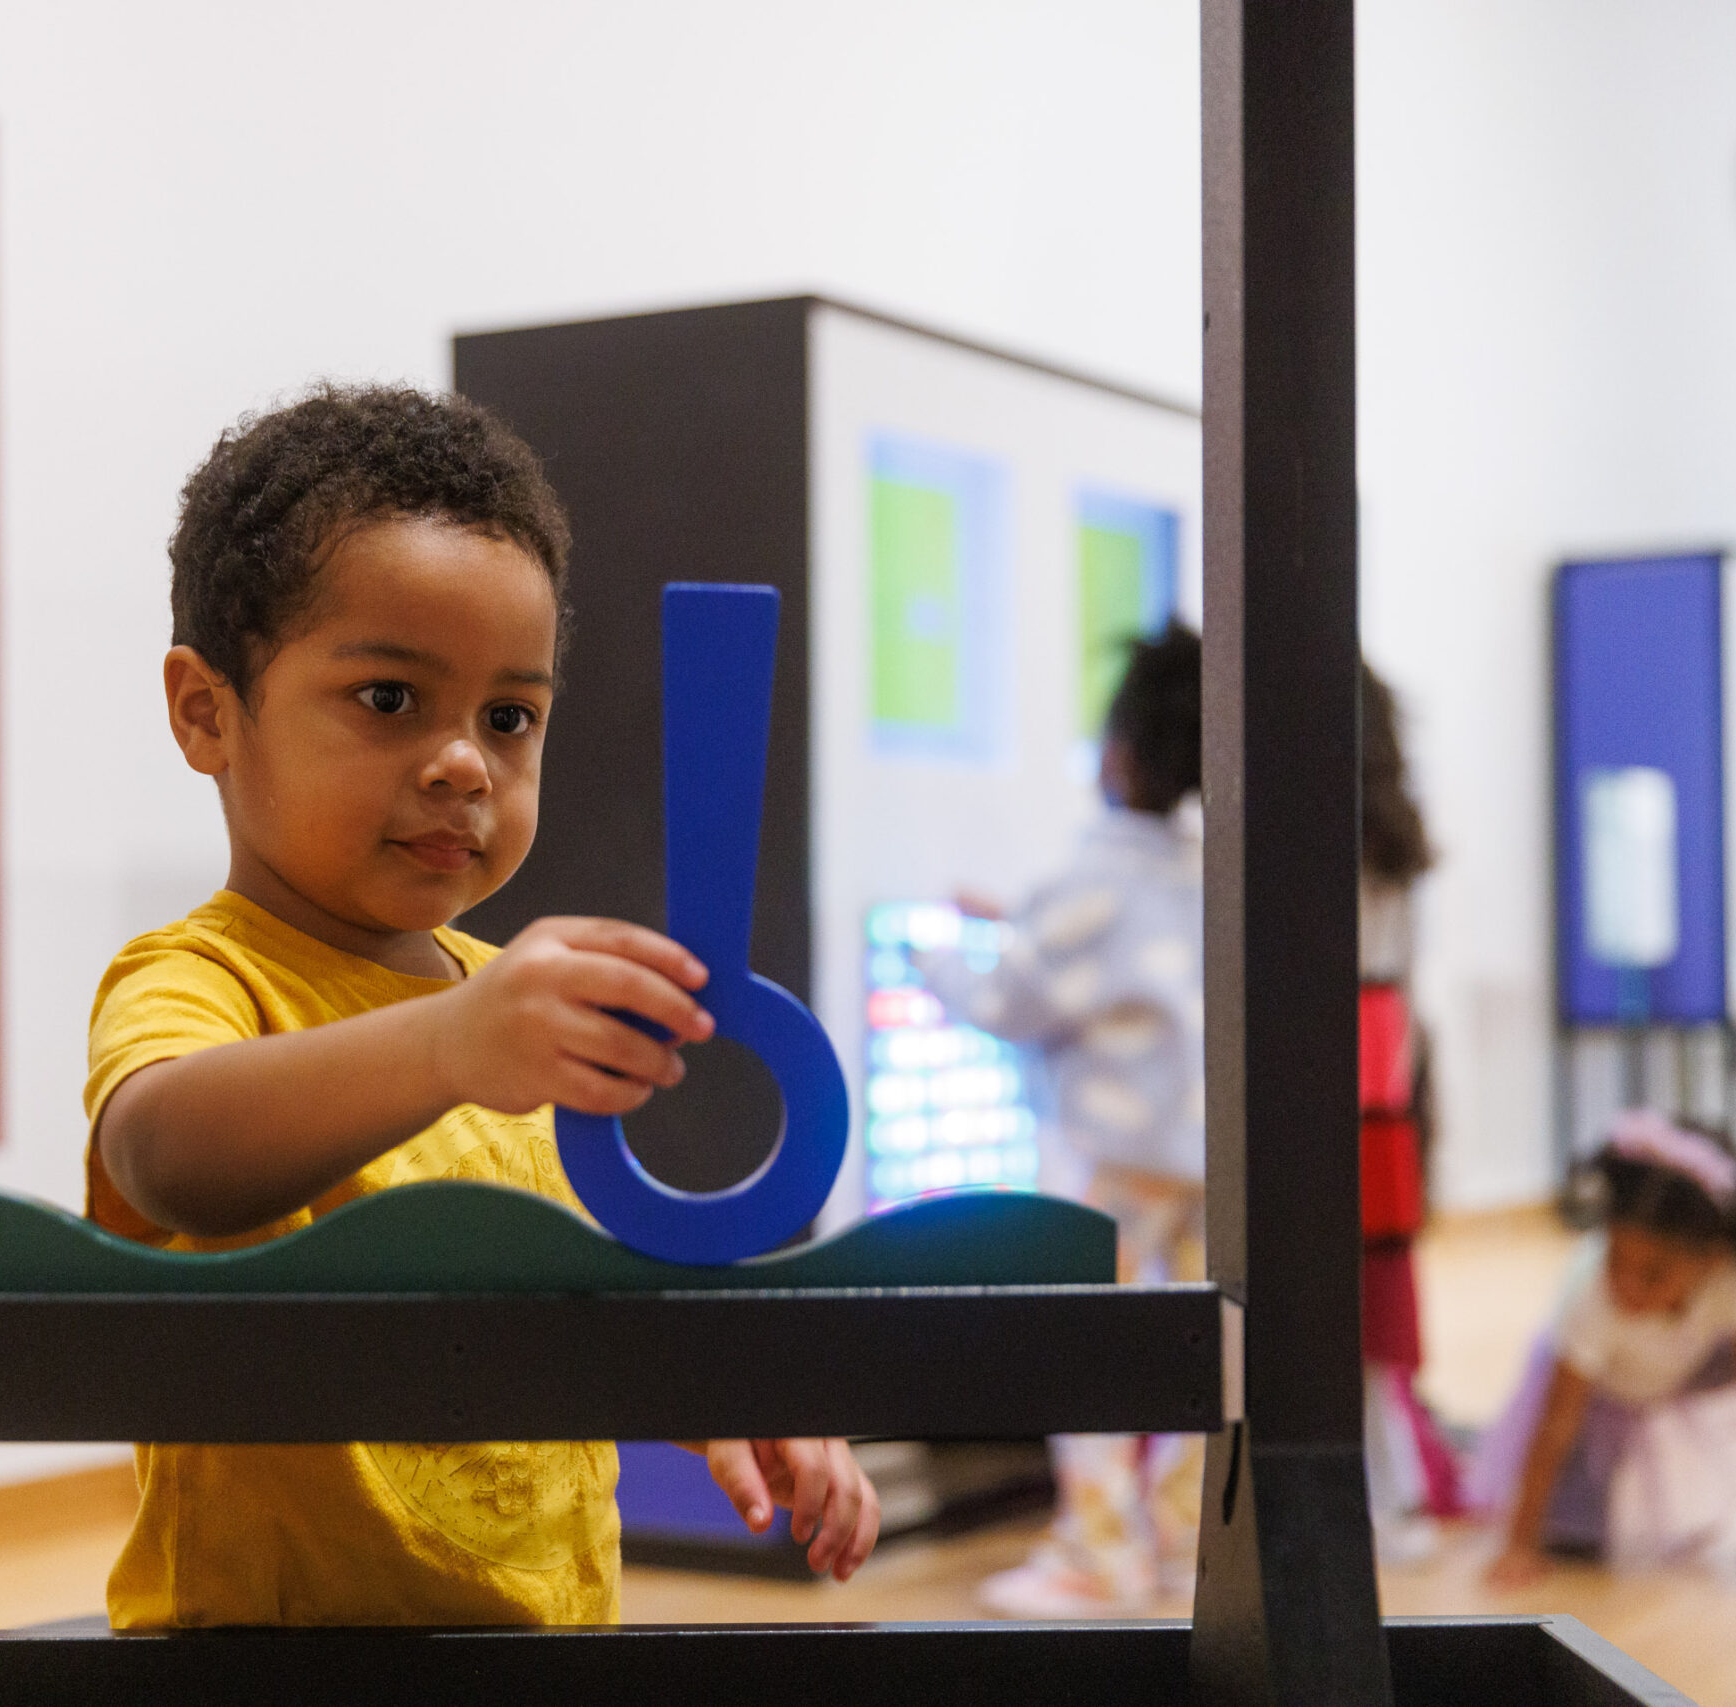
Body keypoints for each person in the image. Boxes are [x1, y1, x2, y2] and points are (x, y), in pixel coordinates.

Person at [82, 384, 879, 1628]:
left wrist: (704, 1381)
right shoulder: (206, 976)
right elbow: (166, 1153)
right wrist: (453, 1043)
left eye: (510, 717)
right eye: (391, 698)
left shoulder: (497, 998)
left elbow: (557, 1296)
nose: (467, 762)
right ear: (207, 712)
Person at [920, 623, 1206, 1619]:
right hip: (1207, 1156)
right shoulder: (1199, 870)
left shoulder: (1089, 876)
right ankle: (1177, 1544)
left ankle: (1096, 1552)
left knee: (1088, 1351)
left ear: (1115, 757)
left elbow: (1016, 996)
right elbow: (1115, 958)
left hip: (1113, 1164)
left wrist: (935, 959)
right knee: (1204, 1354)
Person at [1475, 1113, 1736, 1584]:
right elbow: (1556, 1424)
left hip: (1689, 1369)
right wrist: (1521, 1542)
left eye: (1653, 1274)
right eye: (1616, 1261)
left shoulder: (1731, 1282)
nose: (1627, 1288)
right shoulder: (1591, 1300)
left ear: (1712, 1259)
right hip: (1600, 1398)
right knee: (1578, 1544)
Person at [1357, 661, 1464, 1557]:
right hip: (1387, 1076)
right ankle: (1391, 1485)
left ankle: (1379, 1494)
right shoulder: (1398, 839)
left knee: (1332, 1294)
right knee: (1375, 1297)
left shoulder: (1320, 833)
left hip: (1336, 1072)